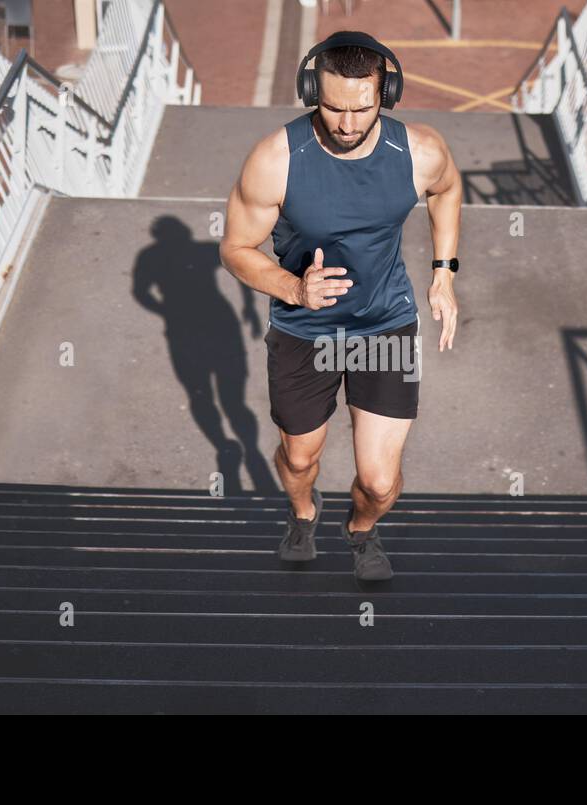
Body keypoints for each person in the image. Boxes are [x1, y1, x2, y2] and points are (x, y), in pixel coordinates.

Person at [220, 31, 461, 580]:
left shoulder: (419, 152)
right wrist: (294, 289)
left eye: (362, 108)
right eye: (333, 108)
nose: (348, 124)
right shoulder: (276, 160)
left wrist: (444, 274)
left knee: (379, 481)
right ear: (311, 92)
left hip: (384, 324)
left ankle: (362, 529)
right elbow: (235, 248)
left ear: (387, 94)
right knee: (299, 458)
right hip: (305, 331)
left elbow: (447, 191)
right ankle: (303, 512)